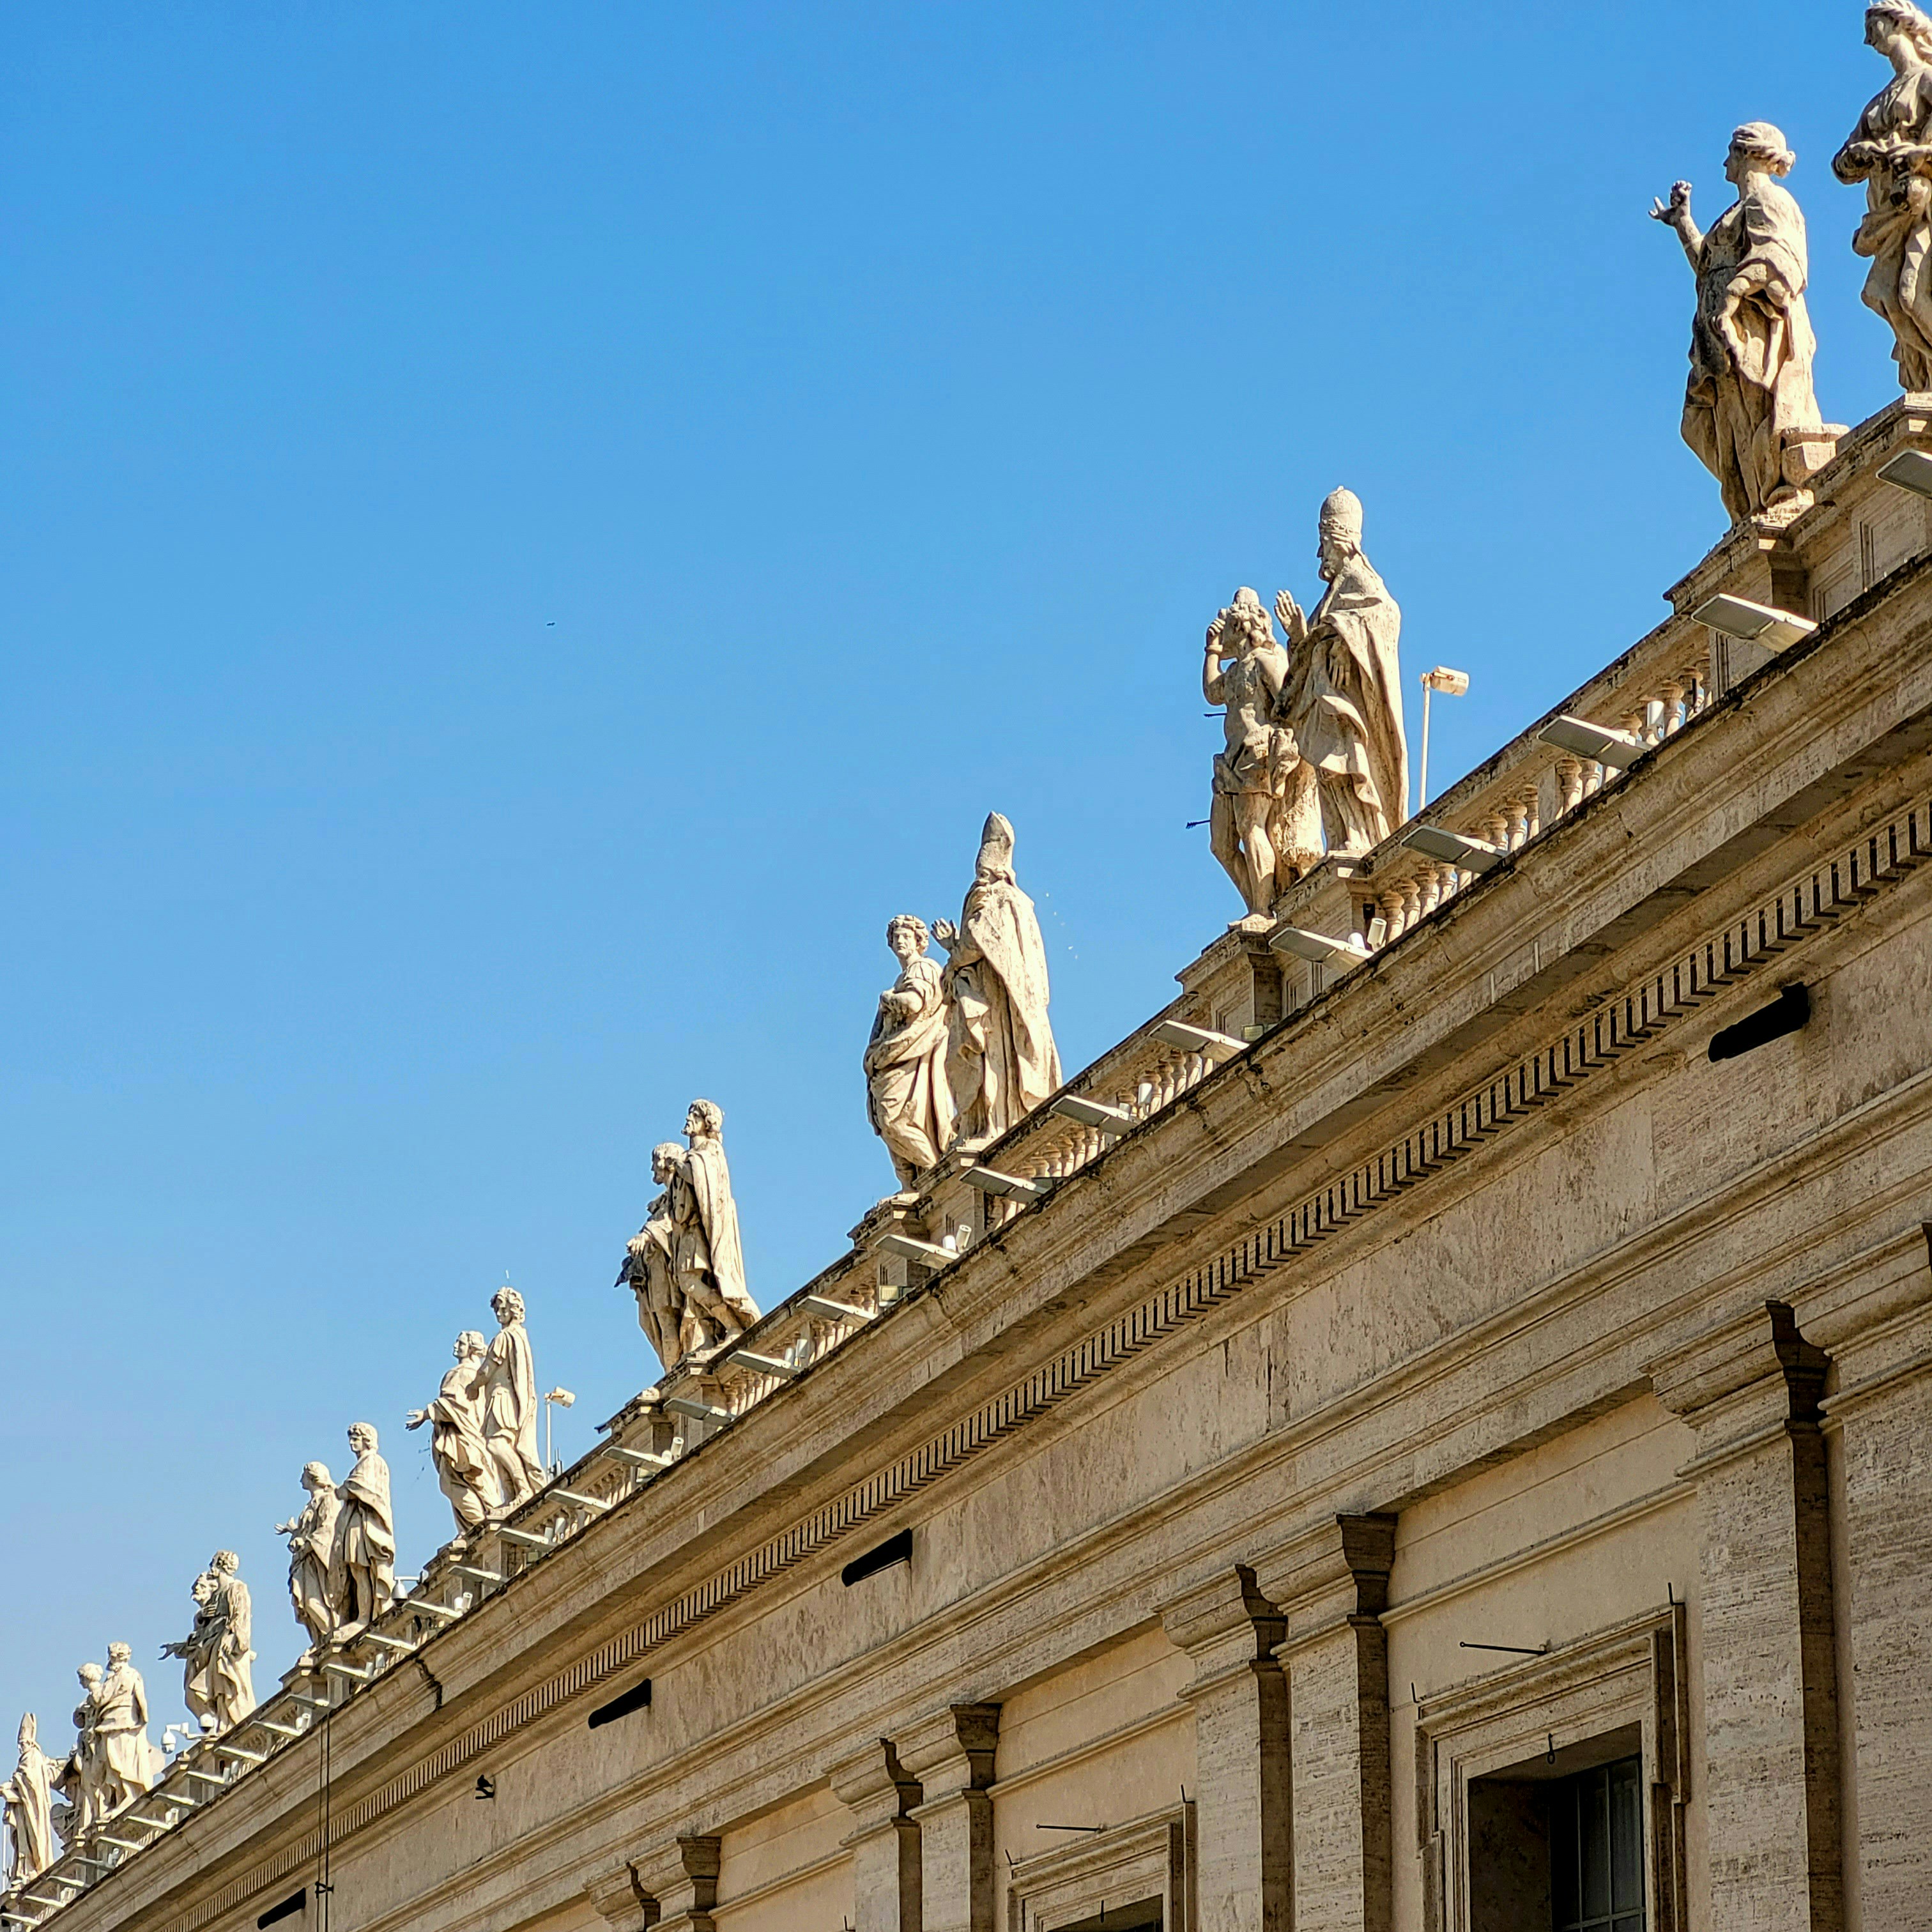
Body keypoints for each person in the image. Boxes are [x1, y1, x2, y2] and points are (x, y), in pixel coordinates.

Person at [1652, 123, 1826, 523]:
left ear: (1750, 153)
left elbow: (1781, 260)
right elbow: (1710, 269)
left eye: (1732, 151)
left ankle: (1770, 496)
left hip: (1755, 329)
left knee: (1757, 414)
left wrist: (1732, 299)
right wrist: (1684, 225)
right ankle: (1749, 507)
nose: (1725, 161)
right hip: (1719, 338)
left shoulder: (1771, 200)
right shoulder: (1733, 212)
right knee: (1726, 429)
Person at [932, 814, 1062, 1144]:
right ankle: (992, 1122)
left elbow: (980, 941)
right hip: (996, 995)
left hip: (998, 1000)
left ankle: (997, 1122)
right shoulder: (1014, 903)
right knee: (983, 1056)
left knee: (994, 1057)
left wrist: (953, 947)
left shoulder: (1001, 900)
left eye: (983, 873)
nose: (979, 879)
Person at [1835, 3, 1932, 390]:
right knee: (1885, 297)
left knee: (1912, 293)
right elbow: (1840, 166)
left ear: (1898, 22)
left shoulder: (1927, 80)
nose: (1867, 37)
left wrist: (1918, 154)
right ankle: (1923, 379)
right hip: (1887, 212)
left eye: (1872, 25)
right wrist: (1858, 157)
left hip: (1922, 205)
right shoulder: (1877, 103)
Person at [1202, 588, 1315, 912]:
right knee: (1221, 844)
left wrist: (1281, 750)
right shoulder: (1237, 671)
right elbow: (1212, 692)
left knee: (1252, 829)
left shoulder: (1266, 661)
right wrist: (1210, 650)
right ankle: (1256, 899)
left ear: (1240, 628)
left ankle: (1263, 909)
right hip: (1231, 760)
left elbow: (1289, 701)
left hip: (1256, 756)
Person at [864, 916, 956, 1185]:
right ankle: (911, 1184)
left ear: (919, 942)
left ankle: (934, 1175)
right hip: (893, 1059)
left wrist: (888, 999)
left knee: (895, 1119)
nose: (900, 941)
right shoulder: (901, 977)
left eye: (906, 936)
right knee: (888, 1121)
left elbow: (914, 1004)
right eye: (896, 938)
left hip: (912, 1055)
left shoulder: (924, 968)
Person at [670, 1103, 760, 1349]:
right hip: (689, 1230)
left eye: (695, 1115)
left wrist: (680, 1167)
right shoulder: (690, 1156)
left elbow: (704, 1181)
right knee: (690, 1281)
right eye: (690, 1114)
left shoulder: (710, 1150)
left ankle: (732, 1324)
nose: (689, 1119)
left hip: (704, 1228)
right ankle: (711, 1335)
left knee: (690, 1280)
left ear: (706, 1122)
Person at [408, 1331, 500, 1535]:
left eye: (461, 1342)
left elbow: (455, 1405)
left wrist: (426, 1414)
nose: (456, 1345)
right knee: (470, 1482)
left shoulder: (464, 1373)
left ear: (472, 1347)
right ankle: (478, 1526)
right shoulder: (475, 1373)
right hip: (466, 1434)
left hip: (463, 1436)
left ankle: (481, 1527)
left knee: (457, 1482)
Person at [618, 1149, 687, 1371]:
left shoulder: (679, 1193)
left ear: (666, 1162)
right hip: (653, 1268)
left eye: (655, 1162)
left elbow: (673, 1222)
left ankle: (673, 1372)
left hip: (665, 1269)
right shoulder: (664, 1199)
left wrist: (645, 1235)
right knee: (651, 1322)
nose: (652, 1168)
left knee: (666, 1318)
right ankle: (672, 1370)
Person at [328, 1425, 396, 1635]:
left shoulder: (372, 1461)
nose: (352, 1442)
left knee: (363, 1568)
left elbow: (357, 1488)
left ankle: (365, 1616)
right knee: (357, 1570)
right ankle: (362, 1615)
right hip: (356, 1522)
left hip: (366, 1524)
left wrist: (339, 1489)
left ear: (367, 1439)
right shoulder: (363, 1463)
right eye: (351, 1438)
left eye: (356, 1438)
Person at [482, 1289, 544, 1514]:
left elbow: (487, 1369)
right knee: (499, 1447)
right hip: (501, 1398)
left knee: (497, 1444)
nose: (499, 1312)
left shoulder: (505, 1337)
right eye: (497, 1309)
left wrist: (472, 1385)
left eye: (503, 1307)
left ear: (513, 1309)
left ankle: (522, 1489)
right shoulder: (519, 1336)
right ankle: (511, 1496)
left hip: (502, 1399)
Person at [278, 1463, 340, 1653]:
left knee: (314, 1601)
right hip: (304, 1561)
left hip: (317, 1560)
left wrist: (304, 1543)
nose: (300, 1479)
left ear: (314, 1478)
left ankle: (331, 1635)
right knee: (304, 1603)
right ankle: (321, 1641)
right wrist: (294, 1531)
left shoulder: (329, 1500)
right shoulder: (310, 1505)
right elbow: (308, 1530)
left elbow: (328, 1529)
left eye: (304, 1475)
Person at [91, 1646, 158, 1816]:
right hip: (125, 1724)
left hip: (118, 1724)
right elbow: (141, 1701)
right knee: (119, 1763)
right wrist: (142, 1720)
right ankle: (123, 1797)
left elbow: (100, 1698)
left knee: (119, 1763)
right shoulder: (133, 1675)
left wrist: (92, 1687)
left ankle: (127, 1797)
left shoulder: (119, 1677)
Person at [160, 1570, 222, 1731]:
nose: (195, 1589)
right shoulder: (199, 1615)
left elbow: (212, 1634)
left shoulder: (215, 1609)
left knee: (198, 1691)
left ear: (211, 1589)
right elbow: (199, 1638)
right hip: (198, 1661)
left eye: (200, 1586)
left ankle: (215, 1725)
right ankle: (212, 1726)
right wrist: (177, 1648)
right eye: (195, 1586)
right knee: (191, 1696)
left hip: (211, 1659)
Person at [1, 1714, 58, 1883]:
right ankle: (23, 1870)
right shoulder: (28, 1758)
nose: (21, 1748)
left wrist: (13, 1785)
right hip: (25, 1807)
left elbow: (31, 1782)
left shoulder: (33, 1757)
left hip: (33, 1808)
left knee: (32, 1837)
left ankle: (31, 1868)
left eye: (23, 1744)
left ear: (31, 1743)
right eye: (19, 1745)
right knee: (23, 1839)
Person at [206, 1551, 256, 1729]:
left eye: (213, 1563)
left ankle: (236, 1722)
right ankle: (223, 1720)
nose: (210, 1567)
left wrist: (231, 1636)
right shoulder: (218, 1594)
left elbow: (241, 1615)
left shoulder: (237, 1588)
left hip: (230, 1648)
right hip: (217, 1646)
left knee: (232, 1683)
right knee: (218, 1686)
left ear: (221, 1566)